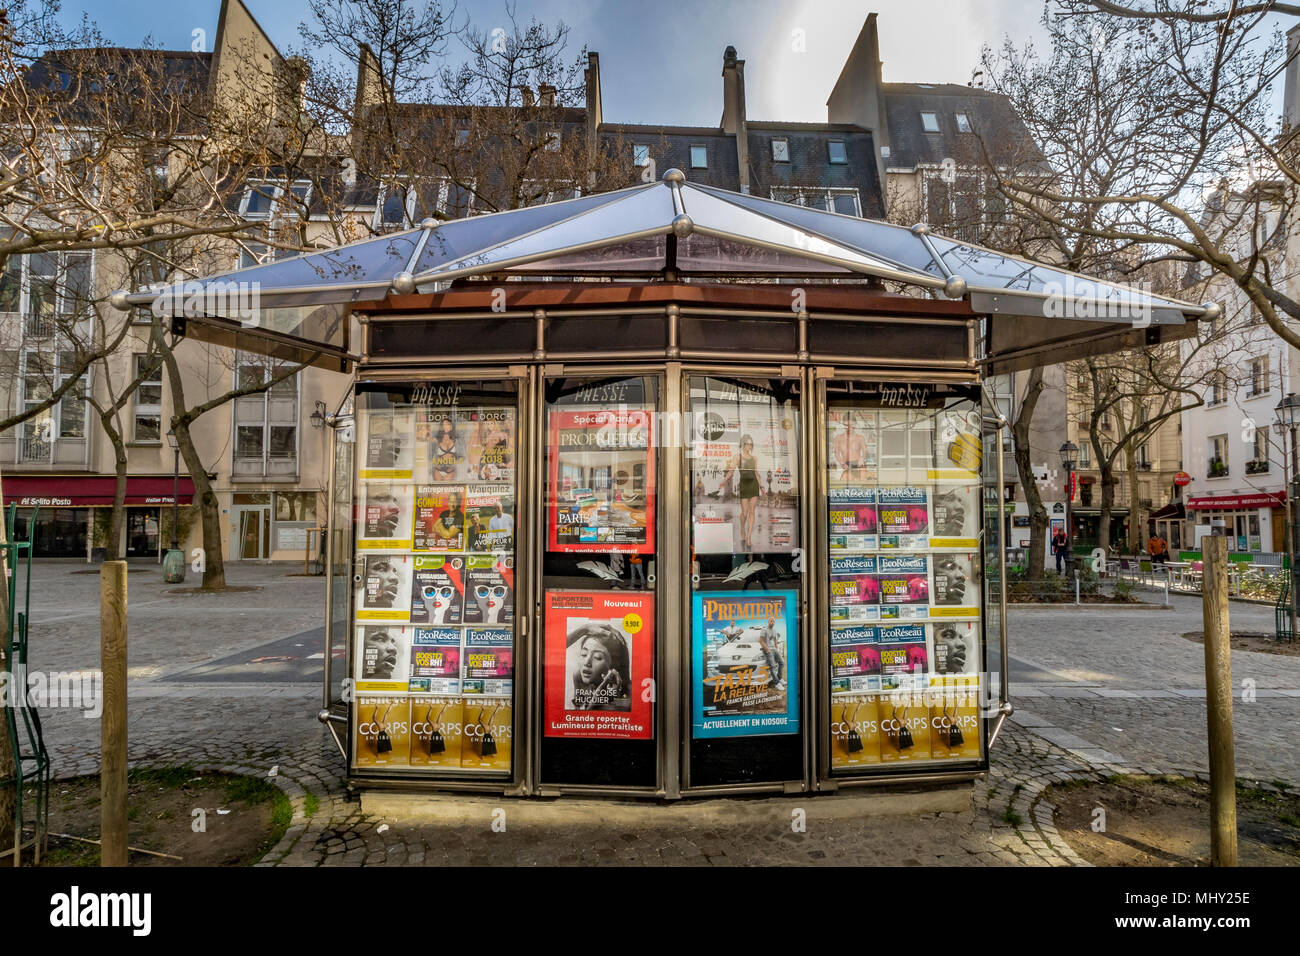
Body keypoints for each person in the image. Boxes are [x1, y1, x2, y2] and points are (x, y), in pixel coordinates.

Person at [568, 623, 631, 711]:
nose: (586, 663)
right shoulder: (579, 676)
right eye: (584, 654)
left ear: (614, 666)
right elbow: (578, 714)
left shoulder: (628, 699)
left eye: (597, 657)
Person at [722, 434, 763, 550]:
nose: (749, 446)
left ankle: (749, 537)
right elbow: (731, 471)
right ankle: (742, 528)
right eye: (747, 443)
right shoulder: (737, 457)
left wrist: (762, 486)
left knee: (752, 512)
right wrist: (724, 481)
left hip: (754, 485)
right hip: (744, 485)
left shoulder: (754, 458)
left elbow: (756, 473)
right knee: (744, 513)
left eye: (751, 444)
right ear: (743, 444)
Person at [751, 616, 787, 691]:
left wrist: (776, 648)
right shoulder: (764, 630)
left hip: (774, 649)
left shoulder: (774, 630)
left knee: (782, 663)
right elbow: (760, 641)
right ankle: (777, 683)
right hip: (768, 650)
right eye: (771, 621)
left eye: (773, 621)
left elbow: (775, 640)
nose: (772, 622)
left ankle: (780, 678)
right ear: (768, 622)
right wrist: (767, 649)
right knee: (772, 666)